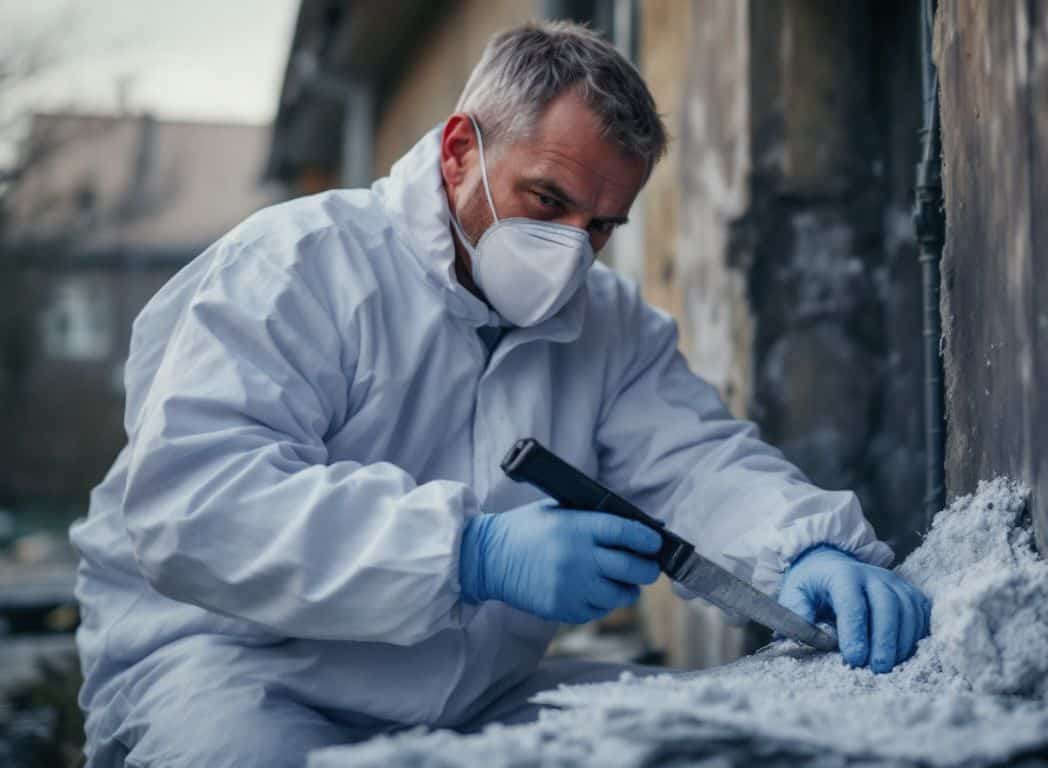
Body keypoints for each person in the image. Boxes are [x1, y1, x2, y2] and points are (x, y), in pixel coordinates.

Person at [70, 21, 930, 767]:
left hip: (475, 693)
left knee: (700, 735)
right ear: (457, 153)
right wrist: (468, 555)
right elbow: (195, 506)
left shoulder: (607, 325)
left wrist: (804, 548)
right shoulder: (297, 265)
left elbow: (697, 462)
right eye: (545, 200)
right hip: (239, 676)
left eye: (600, 225)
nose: (569, 248)